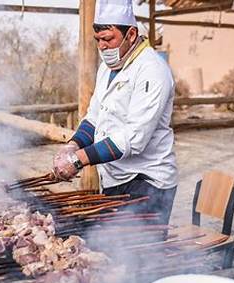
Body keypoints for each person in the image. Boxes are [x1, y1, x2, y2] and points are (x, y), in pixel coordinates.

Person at [52, 0, 177, 225]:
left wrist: (79, 160)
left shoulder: (152, 70)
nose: (102, 46)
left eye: (108, 39)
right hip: (114, 178)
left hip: (147, 181)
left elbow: (134, 138)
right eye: (98, 40)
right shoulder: (106, 69)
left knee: (139, 256)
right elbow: (94, 118)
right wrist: (72, 146)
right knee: (111, 250)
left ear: (130, 34)